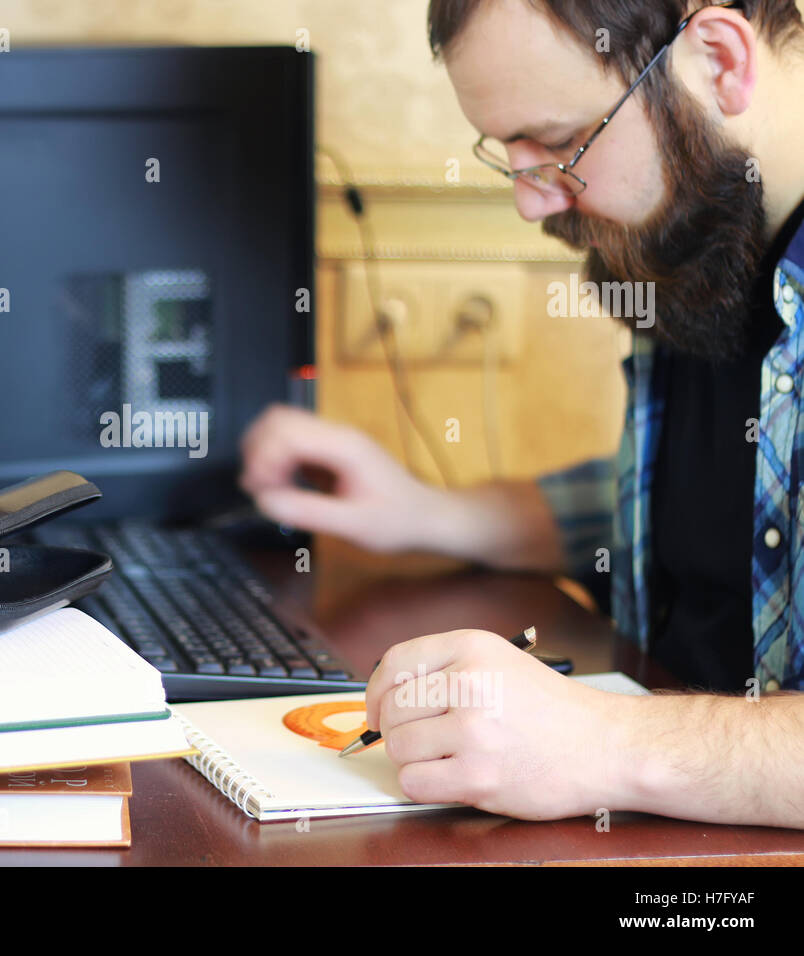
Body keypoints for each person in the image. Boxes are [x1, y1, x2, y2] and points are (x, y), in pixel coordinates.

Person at [239, 0, 804, 826]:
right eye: (511, 153)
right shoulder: (702, 235)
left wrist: (603, 742)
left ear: (718, 60)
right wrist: (427, 514)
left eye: (561, 143)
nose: (532, 203)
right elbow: (709, 504)